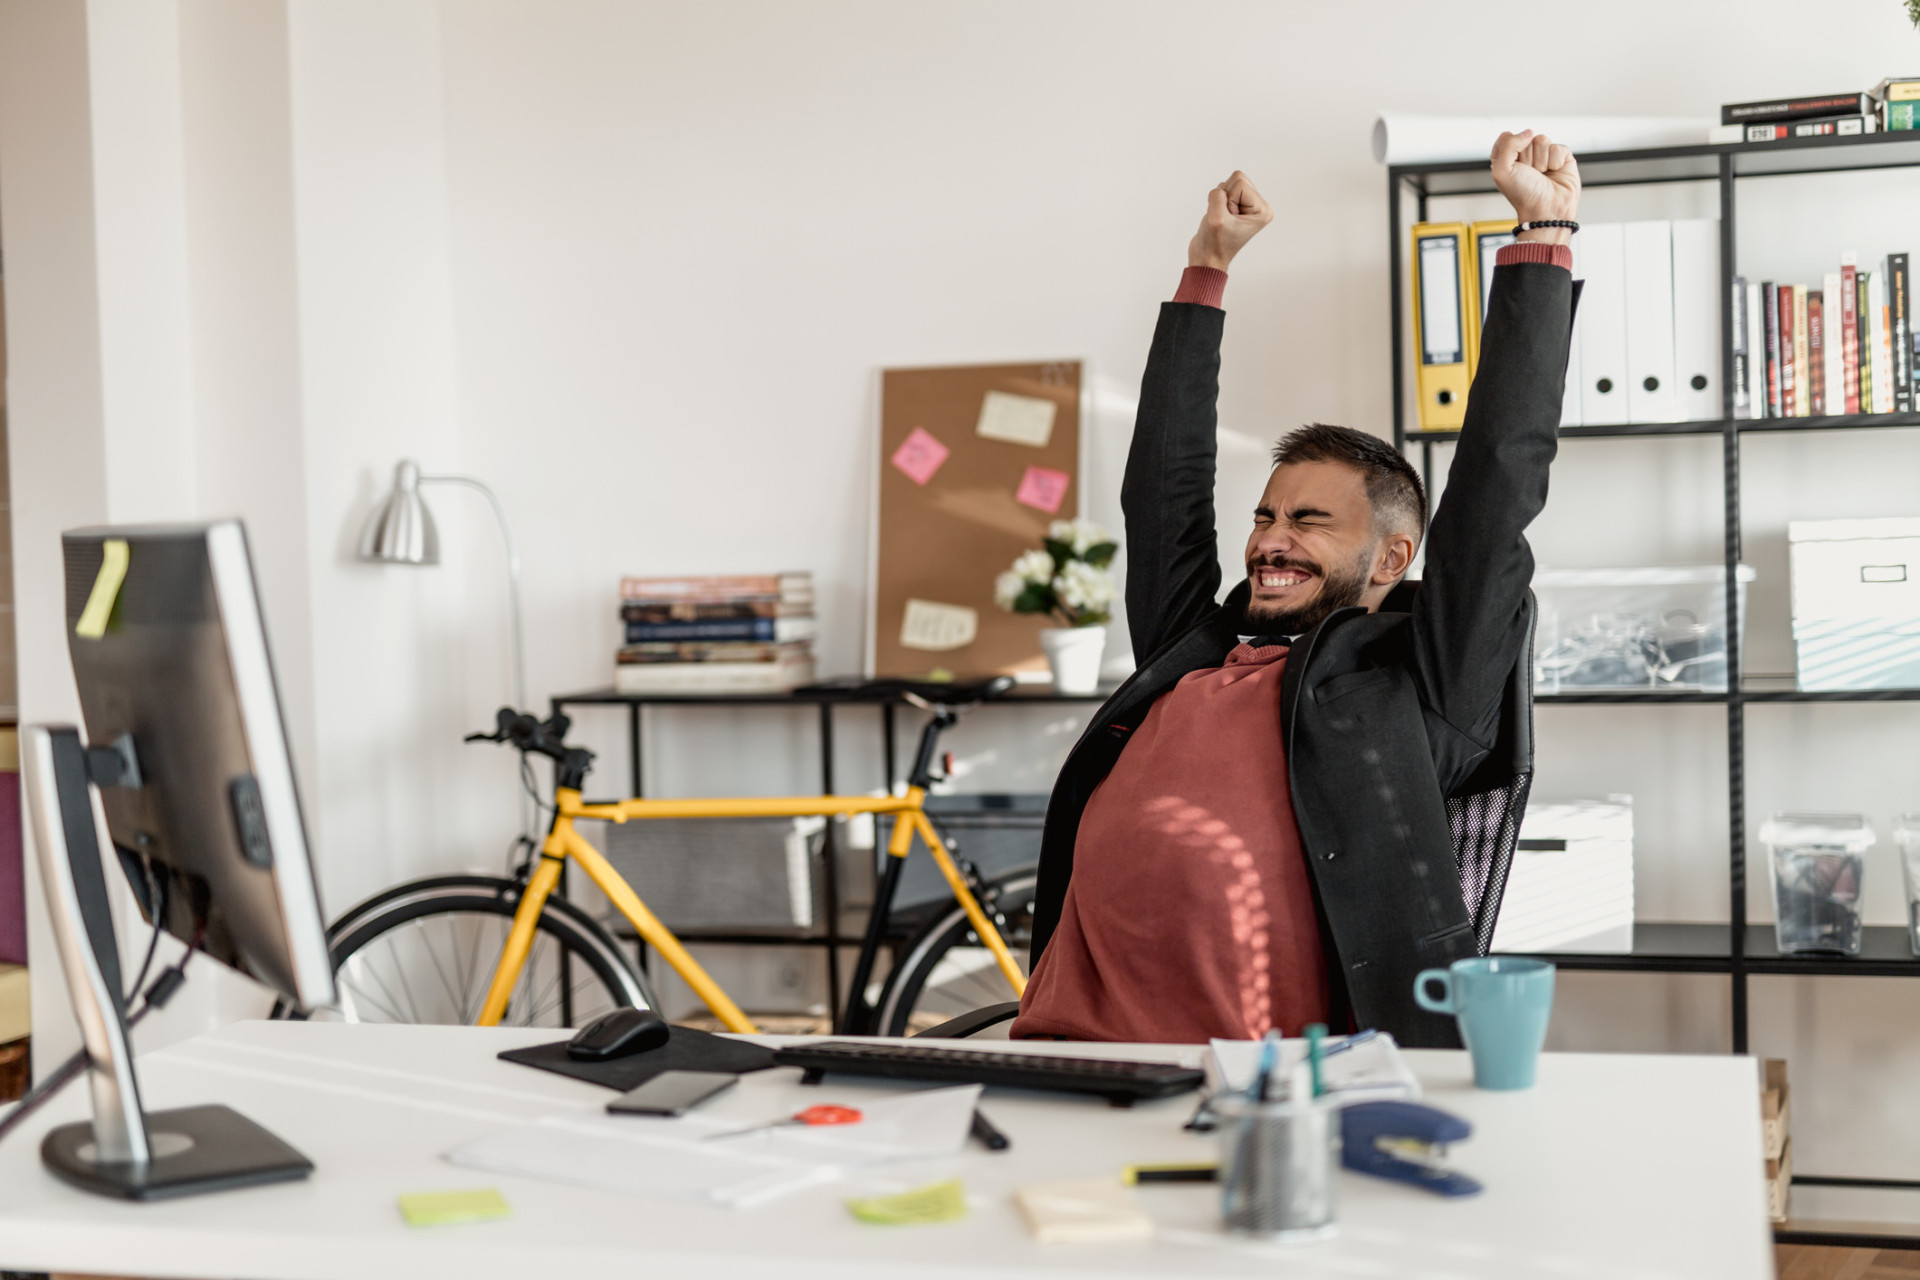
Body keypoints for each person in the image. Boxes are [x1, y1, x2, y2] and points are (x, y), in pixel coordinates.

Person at [1012, 131, 1581, 1047]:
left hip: (1268, 1082)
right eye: (1267, 515)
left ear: (1392, 559)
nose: (1271, 540)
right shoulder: (1191, 651)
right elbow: (1161, 492)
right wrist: (1206, 270)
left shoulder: (1415, 688)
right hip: (1068, 1051)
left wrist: (1542, 238)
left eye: (1310, 522)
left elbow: (1494, 491)